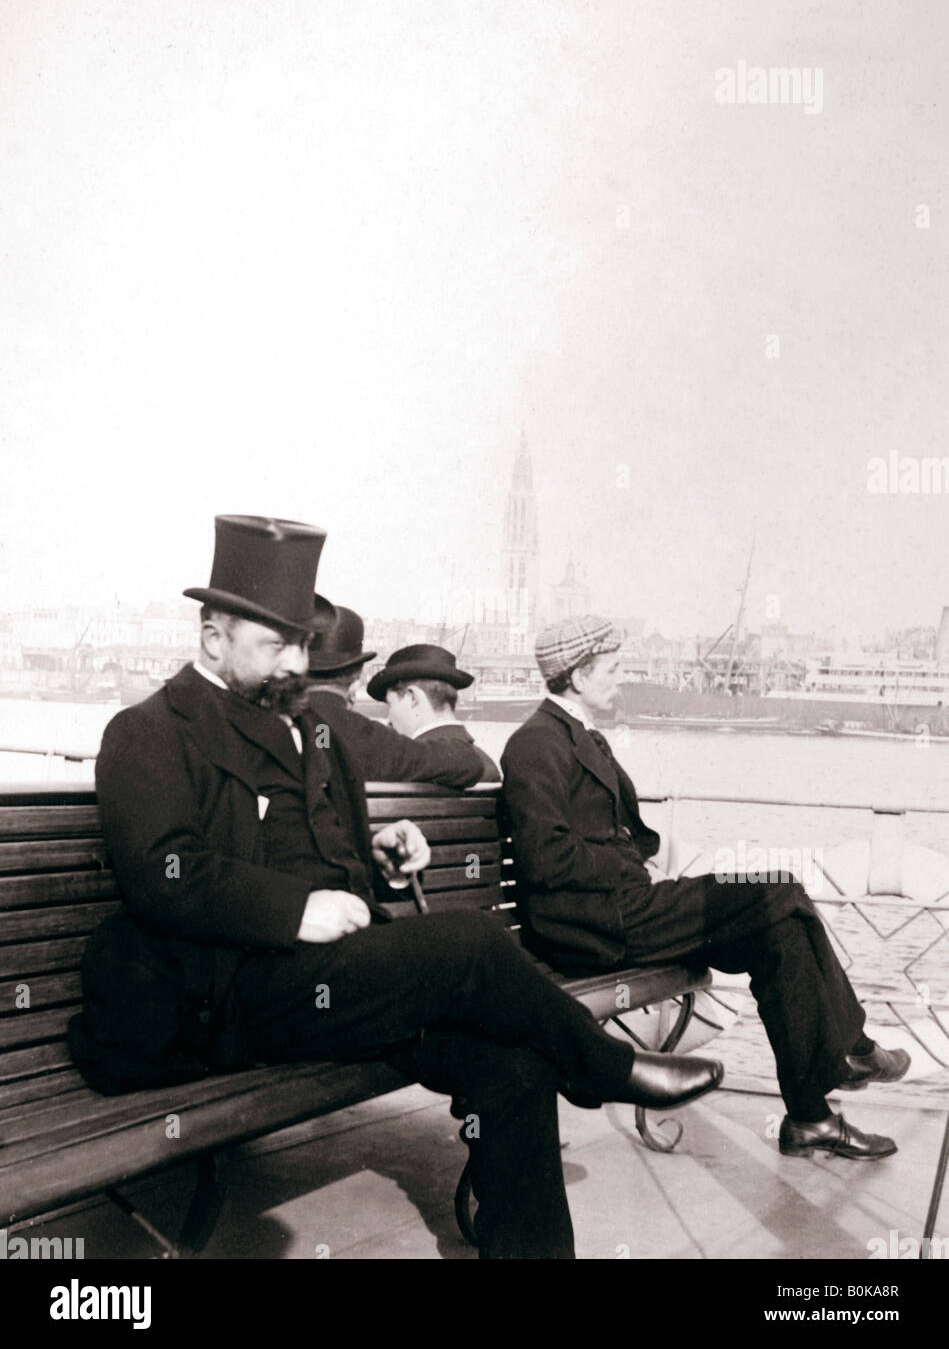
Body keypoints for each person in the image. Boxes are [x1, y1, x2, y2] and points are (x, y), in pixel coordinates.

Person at [69, 518, 723, 1261]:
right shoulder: (150, 730)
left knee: (512, 1064)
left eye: (303, 644)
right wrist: (293, 909)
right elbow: (162, 872)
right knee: (471, 938)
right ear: (213, 640)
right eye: (274, 644)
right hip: (226, 994)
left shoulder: (308, 729)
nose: (295, 662)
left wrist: (381, 854)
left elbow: (323, 850)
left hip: (329, 981)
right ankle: (605, 1069)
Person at [501, 614, 911, 1164]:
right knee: (778, 887)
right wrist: (631, 874)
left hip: (622, 907)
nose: (622, 678)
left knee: (782, 933)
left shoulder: (571, 736)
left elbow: (620, 836)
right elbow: (543, 857)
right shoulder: (535, 743)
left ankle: (810, 1118)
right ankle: (854, 1048)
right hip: (594, 924)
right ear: (578, 676)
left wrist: (641, 871)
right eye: (614, 668)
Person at [306, 605, 486, 787]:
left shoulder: (307, 725)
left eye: (389, 705)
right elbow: (467, 762)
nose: (388, 720)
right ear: (355, 682)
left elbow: (323, 740)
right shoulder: (360, 737)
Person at [368, 644, 501, 780]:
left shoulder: (405, 767)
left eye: (391, 705)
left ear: (412, 696)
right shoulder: (487, 765)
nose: (388, 719)